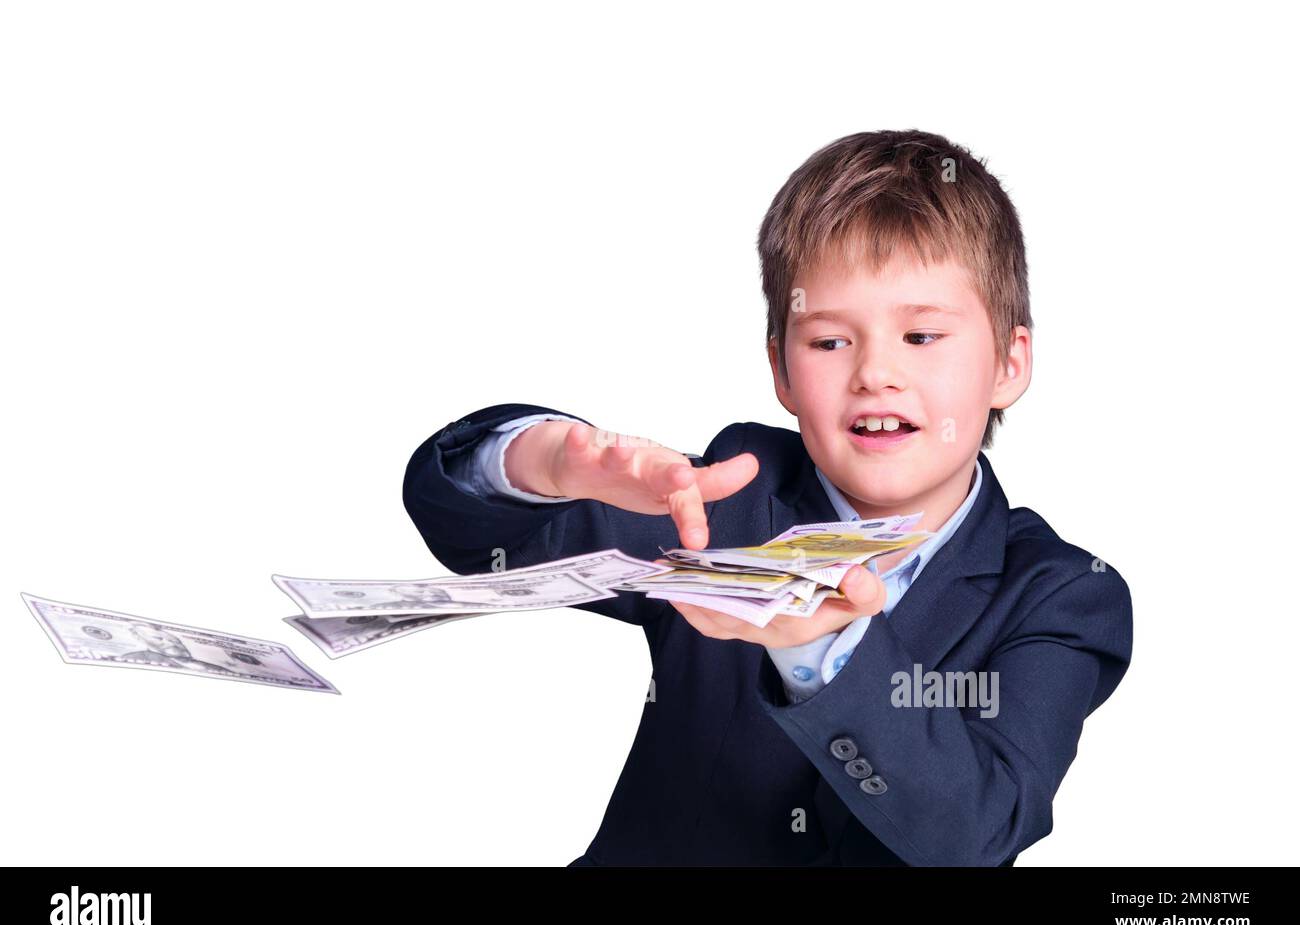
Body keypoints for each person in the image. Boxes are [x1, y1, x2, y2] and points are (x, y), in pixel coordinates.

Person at [402, 130, 1133, 866]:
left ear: (1009, 364)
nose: (876, 372)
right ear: (781, 371)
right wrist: (546, 462)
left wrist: (823, 646)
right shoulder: (729, 497)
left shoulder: (1063, 598)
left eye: (921, 334)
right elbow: (477, 541)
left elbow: (974, 829)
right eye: (828, 343)